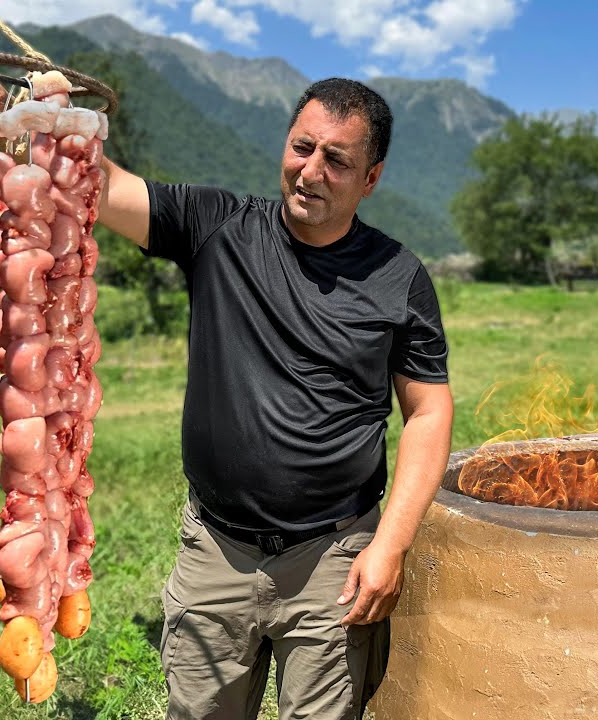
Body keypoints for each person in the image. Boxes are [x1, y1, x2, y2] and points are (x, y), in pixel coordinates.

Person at [95, 77, 454, 720]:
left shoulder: (399, 277)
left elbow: (427, 413)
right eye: (301, 147)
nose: (309, 171)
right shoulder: (217, 227)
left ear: (369, 179)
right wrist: (29, 115)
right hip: (217, 549)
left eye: (336, 159)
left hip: (333, 559)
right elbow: (102, 188)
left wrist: (390, 545)